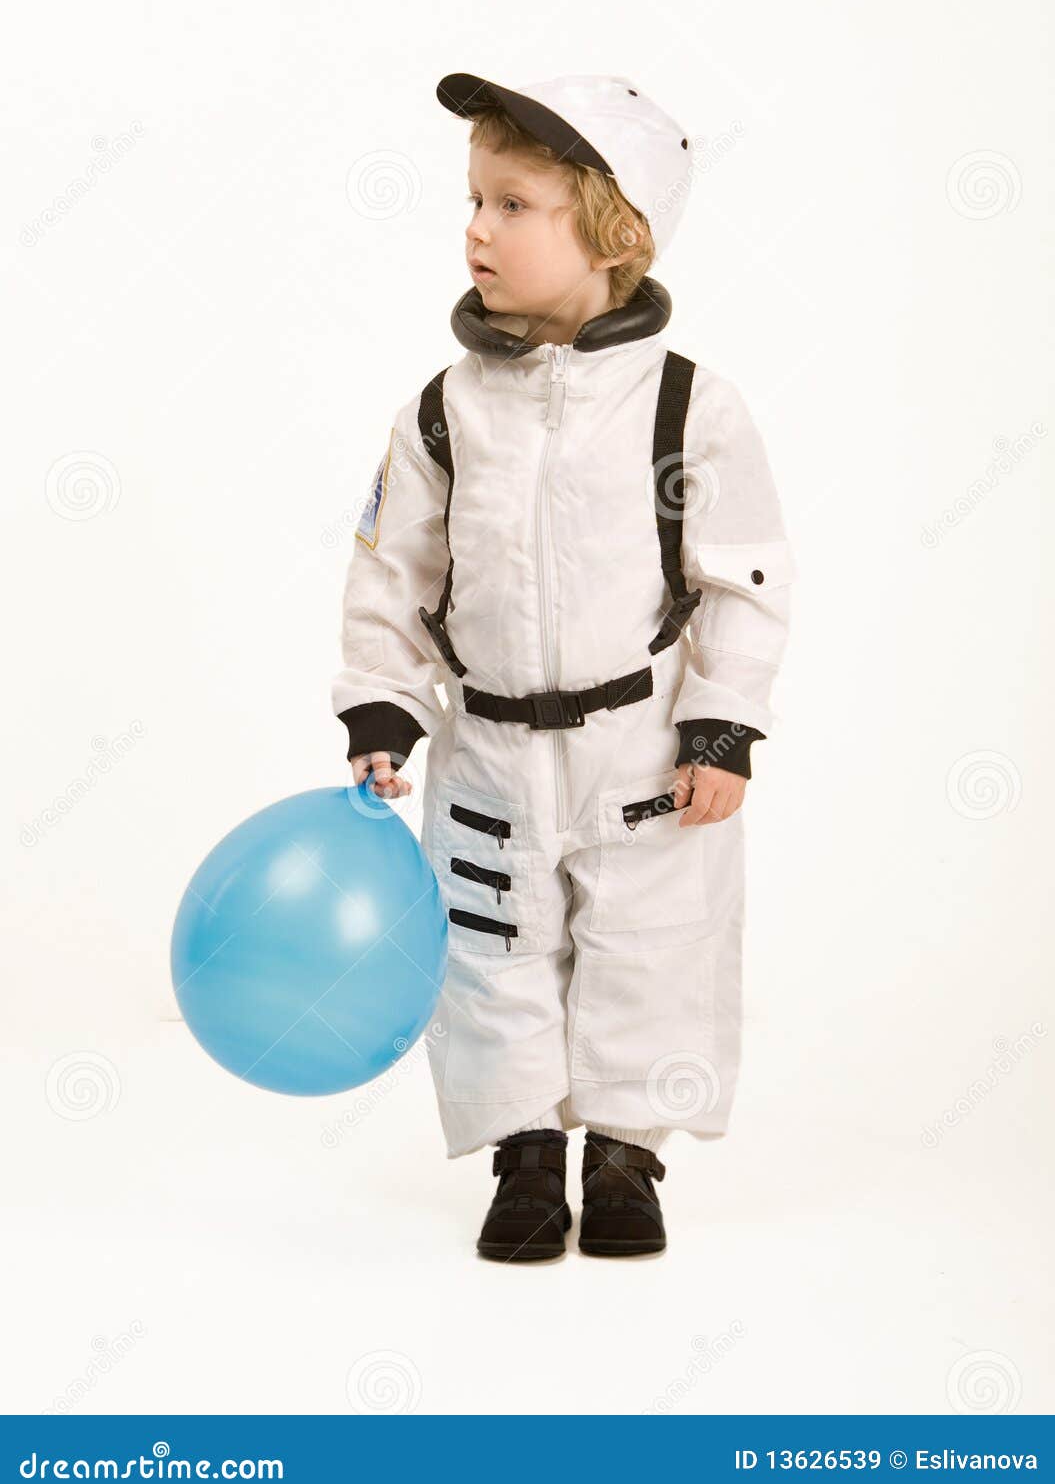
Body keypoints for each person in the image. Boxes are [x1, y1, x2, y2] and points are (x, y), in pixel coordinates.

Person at [330, 72, 795, 1261]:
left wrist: (720, 725)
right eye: (474, 200)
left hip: (638, 748)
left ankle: (628, 1154)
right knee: (492, 952)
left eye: (513, 203)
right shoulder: (442, 413)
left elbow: (739, 579)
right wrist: (379, 704)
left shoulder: (685, 407)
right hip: (485, 746)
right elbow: (390, 575)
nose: (475, 228)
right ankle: (526, 1155)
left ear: (610, 231)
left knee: (650, 946)